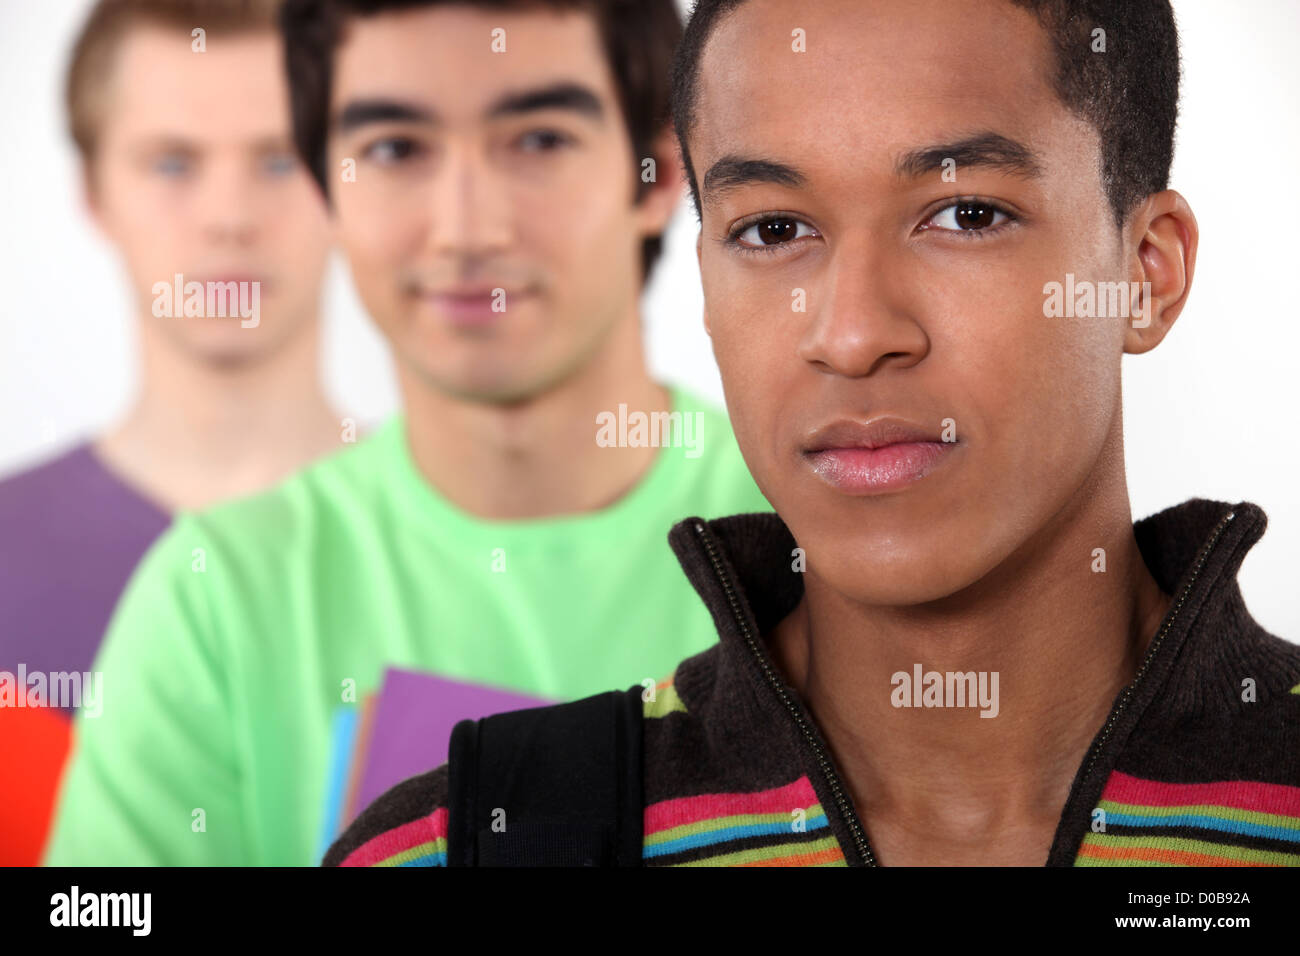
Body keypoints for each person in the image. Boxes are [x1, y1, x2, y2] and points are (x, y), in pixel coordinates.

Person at [326, 0, 1300, 868]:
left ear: (1146, 270)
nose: (852, 333)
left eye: (964, 213)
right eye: (773, 230)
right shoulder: (468, 841)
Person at [44, 0, 770, 866]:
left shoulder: (820, 533)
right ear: (327, 192)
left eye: (538, 139)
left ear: (655, 177)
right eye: (395, 149)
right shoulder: (215, 603)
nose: (466, 228)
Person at [0, 0, 338, 866]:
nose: (229, 215)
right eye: (173, 162)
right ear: (92, 191)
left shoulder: (465, 538)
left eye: (278, 156)